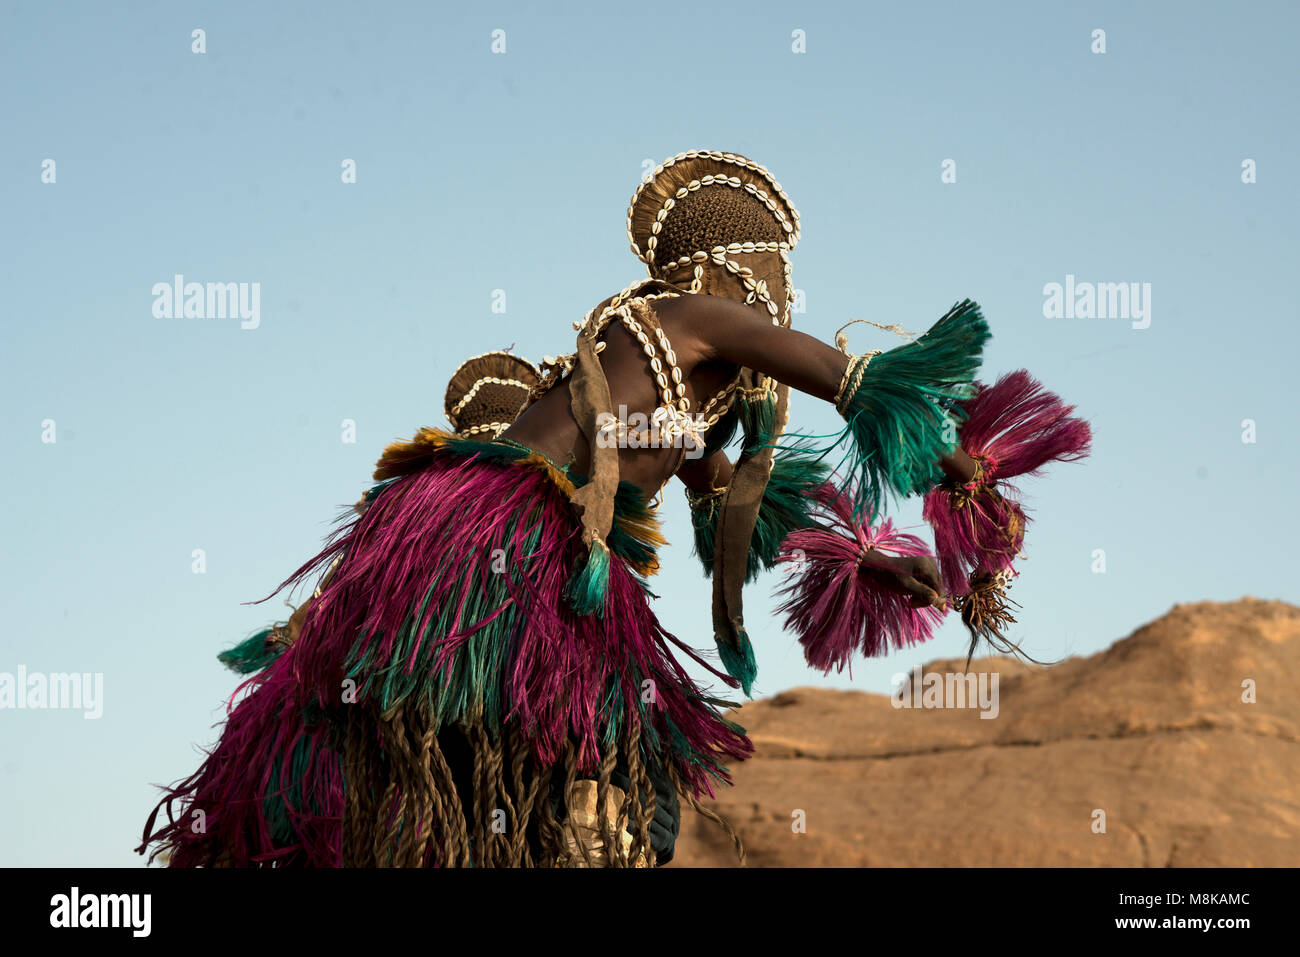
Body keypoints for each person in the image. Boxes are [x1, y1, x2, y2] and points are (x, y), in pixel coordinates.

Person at [139, 149, 996, 868]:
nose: (783, 292)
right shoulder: (689, 315)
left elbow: (745, 502)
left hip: (521, 544)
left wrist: (875, 562)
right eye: (774, 268)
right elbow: (850, 381)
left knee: (576, 763)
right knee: (616, 756)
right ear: (732, 264)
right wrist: (963, 464)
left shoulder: (681, 395)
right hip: (500, 527)